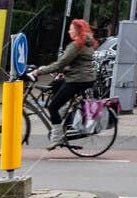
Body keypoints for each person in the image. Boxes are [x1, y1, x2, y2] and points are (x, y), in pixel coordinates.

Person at [33, 18, 98, 148]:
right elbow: (80, 62)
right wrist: (67, 69)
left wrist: (39, 71)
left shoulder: (76, 45)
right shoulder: (87, 43)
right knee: (56, 84)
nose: (69, 31)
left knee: (52, 107)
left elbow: (60, 64)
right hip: (86, 78)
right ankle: (63, 109)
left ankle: (57, 138)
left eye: (71, 29)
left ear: (77, 31)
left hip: (78, 80)